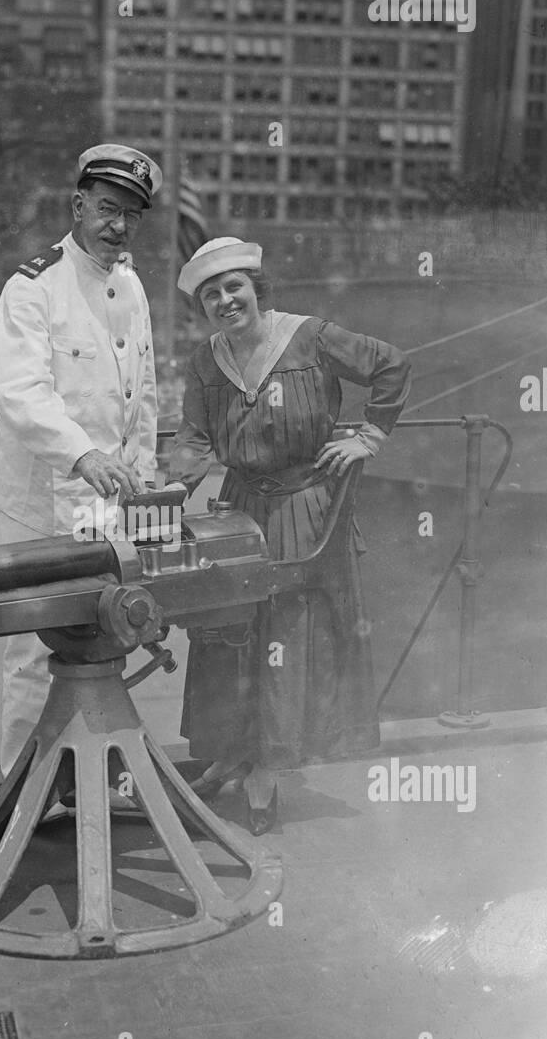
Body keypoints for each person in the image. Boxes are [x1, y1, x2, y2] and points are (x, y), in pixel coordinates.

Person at [169, 238, 411, 834]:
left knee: (287, 637)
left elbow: (391, 364)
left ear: (256, 289)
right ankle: (233, 750)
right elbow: (195, 438)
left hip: (307, 511)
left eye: (234, 288)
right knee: (231, 633)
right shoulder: (206, 362)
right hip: (240, 511)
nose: (226, 301)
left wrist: (369, 436)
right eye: (211, 295)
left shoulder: (309, 336)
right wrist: (177, 486)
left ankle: (269, 772)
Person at [0, 142, 162, 796]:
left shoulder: (131, 286)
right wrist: (82, 453)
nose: (117, 226)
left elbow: (142, 395)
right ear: (78, 204)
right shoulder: (33, 284)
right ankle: (22, 790)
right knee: (33, 648)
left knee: (99, 633)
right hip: (33, 498)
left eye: (131, 216)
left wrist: (146, 471)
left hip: (100, 502)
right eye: (107, 209)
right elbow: (21, 394)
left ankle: (89, 771)